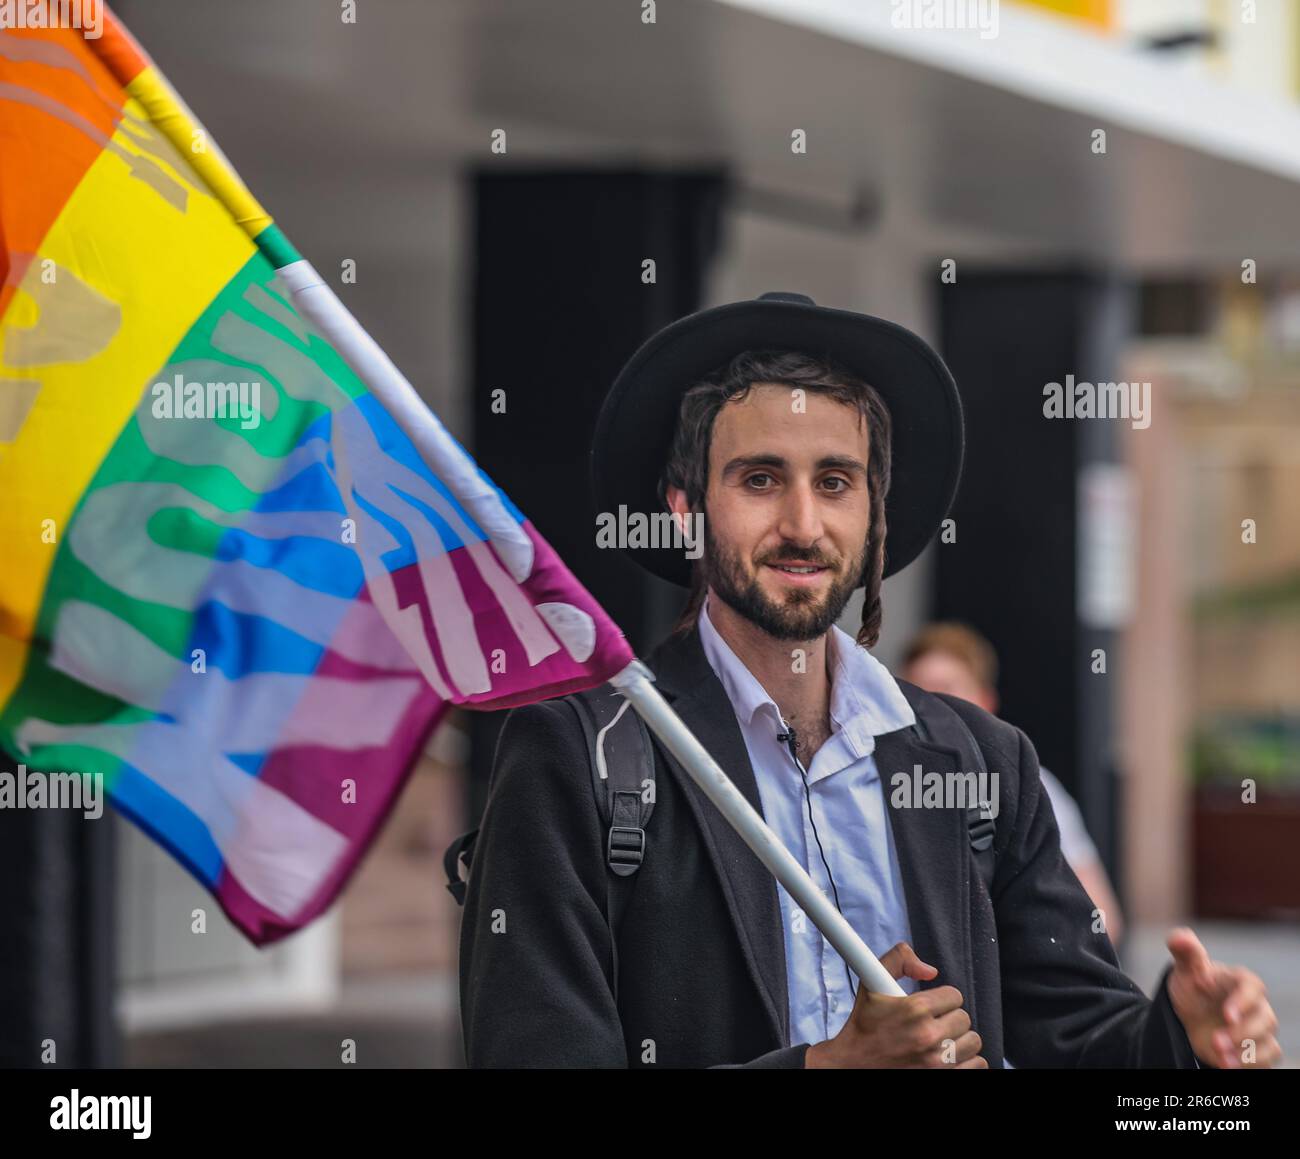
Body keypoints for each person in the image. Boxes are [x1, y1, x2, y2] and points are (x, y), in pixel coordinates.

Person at [458, 291, 1280, 1069]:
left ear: (873, 506)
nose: (803, 525)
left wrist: (1184, 1042)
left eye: (835, 482)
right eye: (759, 478)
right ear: (684, 505)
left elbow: (1085, 1039)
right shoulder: (578, 758)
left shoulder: (985, 764)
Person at [901, 622, 1125, 945]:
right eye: (918, 694)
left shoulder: (1030, 786)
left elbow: (1102, 917)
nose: (930, 711)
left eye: (948, 693)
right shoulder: (884, 788)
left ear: (985, 702)